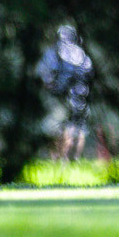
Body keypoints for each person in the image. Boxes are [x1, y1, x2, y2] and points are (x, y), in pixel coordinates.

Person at [36, 23, 94, 161]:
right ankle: (72, 159)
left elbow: (43, 73)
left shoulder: (52, 52)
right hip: (77, 96)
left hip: (61, 97)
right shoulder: (80, 53)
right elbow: (89, 73)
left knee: (59, 127)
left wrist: (52, 86)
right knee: (77, 128)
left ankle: (60, 159)